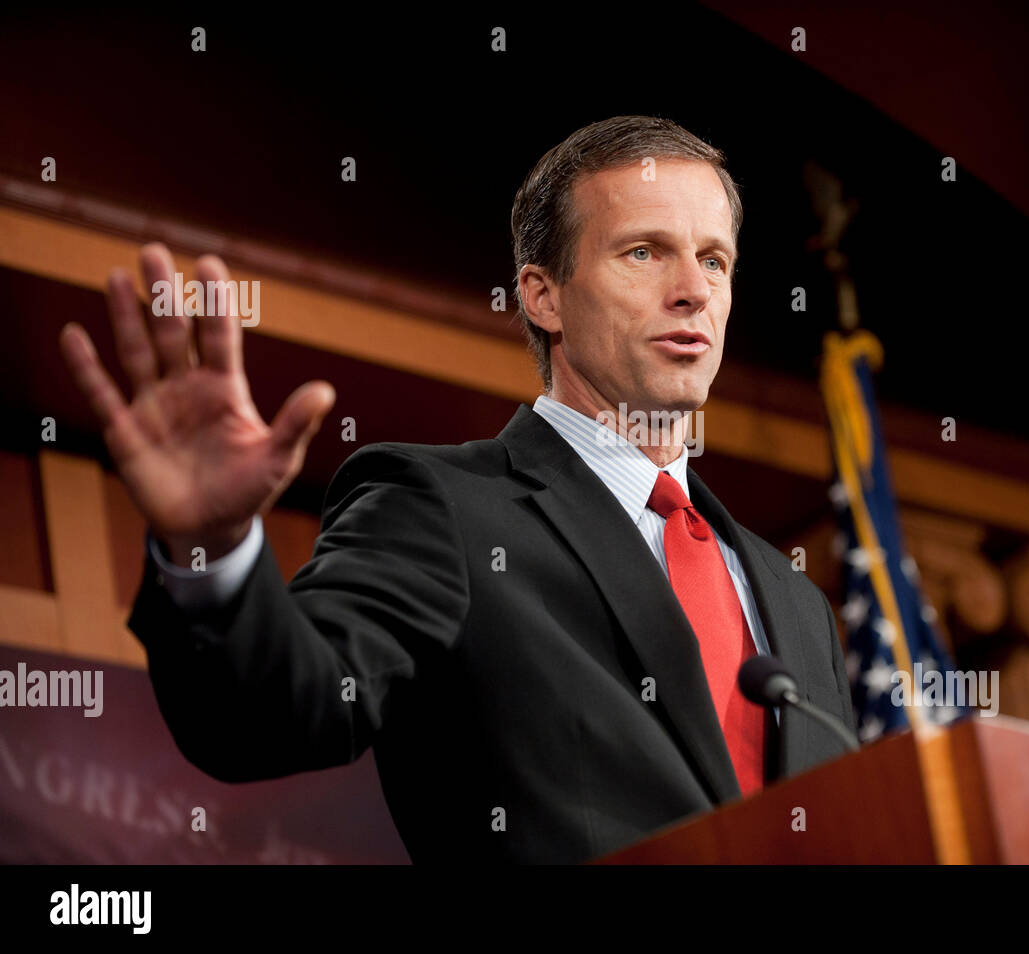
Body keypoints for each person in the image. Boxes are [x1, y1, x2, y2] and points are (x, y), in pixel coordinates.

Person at [58, 115, 856, 864]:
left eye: (714, 260)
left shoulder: (797, 606)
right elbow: (276, 716)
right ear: (542, 296)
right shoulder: (442, 507)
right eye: (644, 252)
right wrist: (215, 549)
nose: (694, 291)